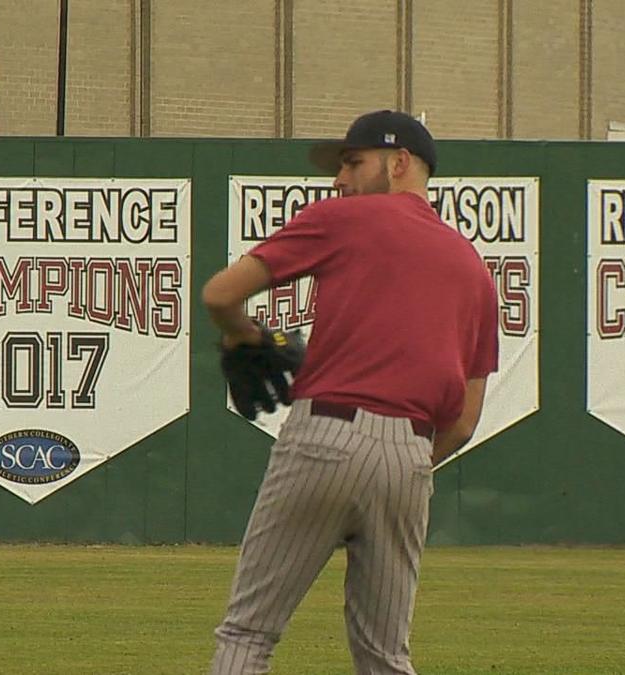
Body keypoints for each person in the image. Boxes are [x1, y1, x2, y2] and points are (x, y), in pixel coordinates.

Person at [203, 110, 499, 674]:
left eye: (353, 162)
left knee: (247, 634)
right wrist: (404, 463)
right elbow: (463, 420)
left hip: (324, 436)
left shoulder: (346, 220)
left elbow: (219, 295)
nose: (339, 179)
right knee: (386, 656)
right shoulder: (474, 269)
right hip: (410, 458)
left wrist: (248, 335)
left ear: (400, 162)